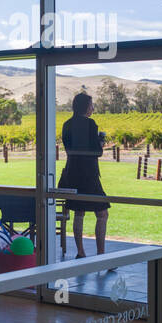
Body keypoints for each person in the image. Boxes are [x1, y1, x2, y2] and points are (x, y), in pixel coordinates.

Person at [59, 92, 110, 258]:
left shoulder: (66, 125)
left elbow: (70, 149)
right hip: (89, 175)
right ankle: (101, 254)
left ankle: (80, 252)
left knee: (78, 212)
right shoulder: (90, 124)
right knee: (102, 212)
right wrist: (100, 142)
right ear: (85, 107)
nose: (93, 108)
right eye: (91, 105)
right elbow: (96, 151)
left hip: (72, 173)